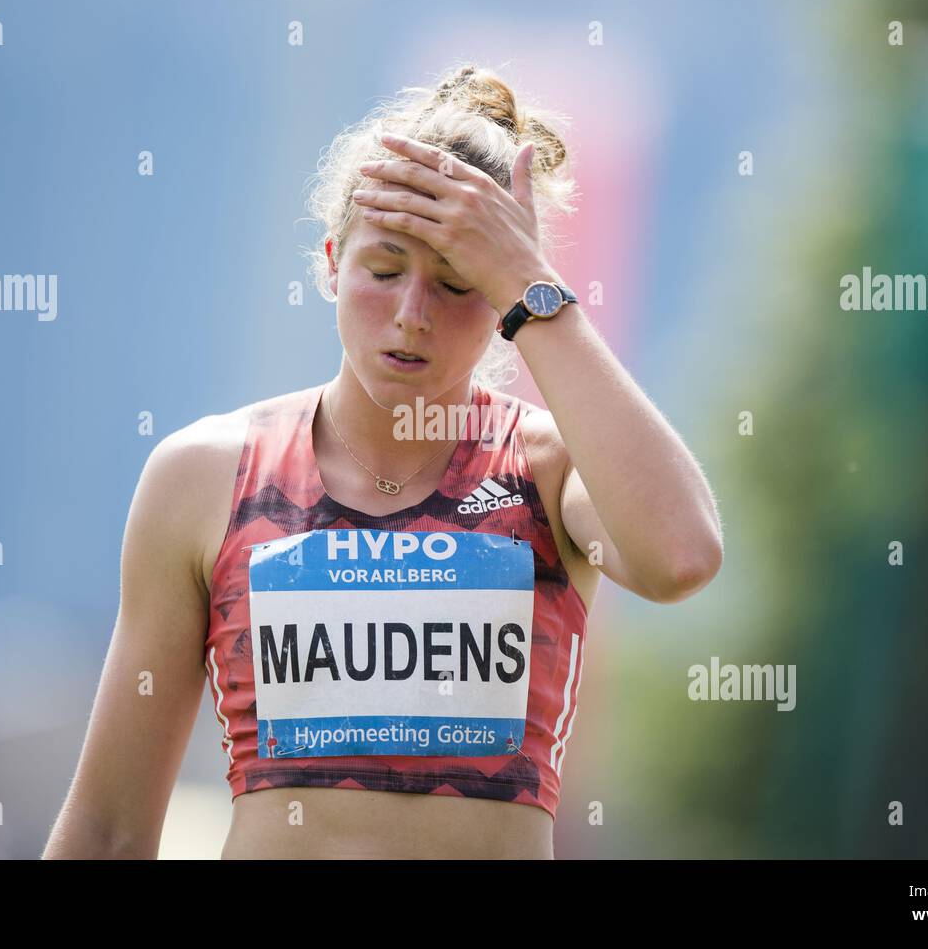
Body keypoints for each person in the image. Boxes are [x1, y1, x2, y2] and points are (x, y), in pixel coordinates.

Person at [43, 63, 723, 860]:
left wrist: (533, 287)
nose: (411, 315)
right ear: (332, 261)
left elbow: (679, 557)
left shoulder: (549, 469)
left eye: (458, 283)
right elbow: (108, 830)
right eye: (385, 269)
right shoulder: (203, 477)